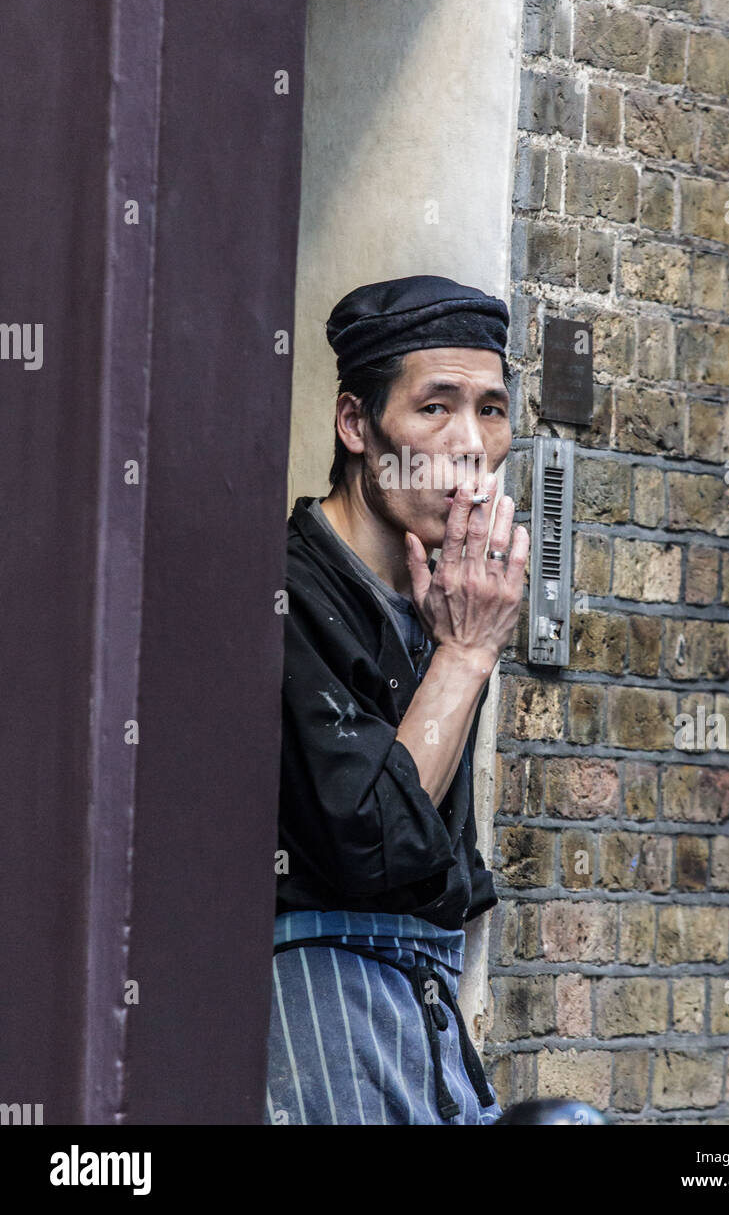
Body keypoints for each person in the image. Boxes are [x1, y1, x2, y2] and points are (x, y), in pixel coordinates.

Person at [265, 274, 528, 1126]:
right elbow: (375, 844)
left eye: (491, 410)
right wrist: (465, 654)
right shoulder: (284, 593)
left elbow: (452, 873)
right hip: (318, 1014)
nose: (469, 444)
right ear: (355, 424)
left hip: (428, 1013)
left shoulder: (441, 592)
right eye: (435, 407)